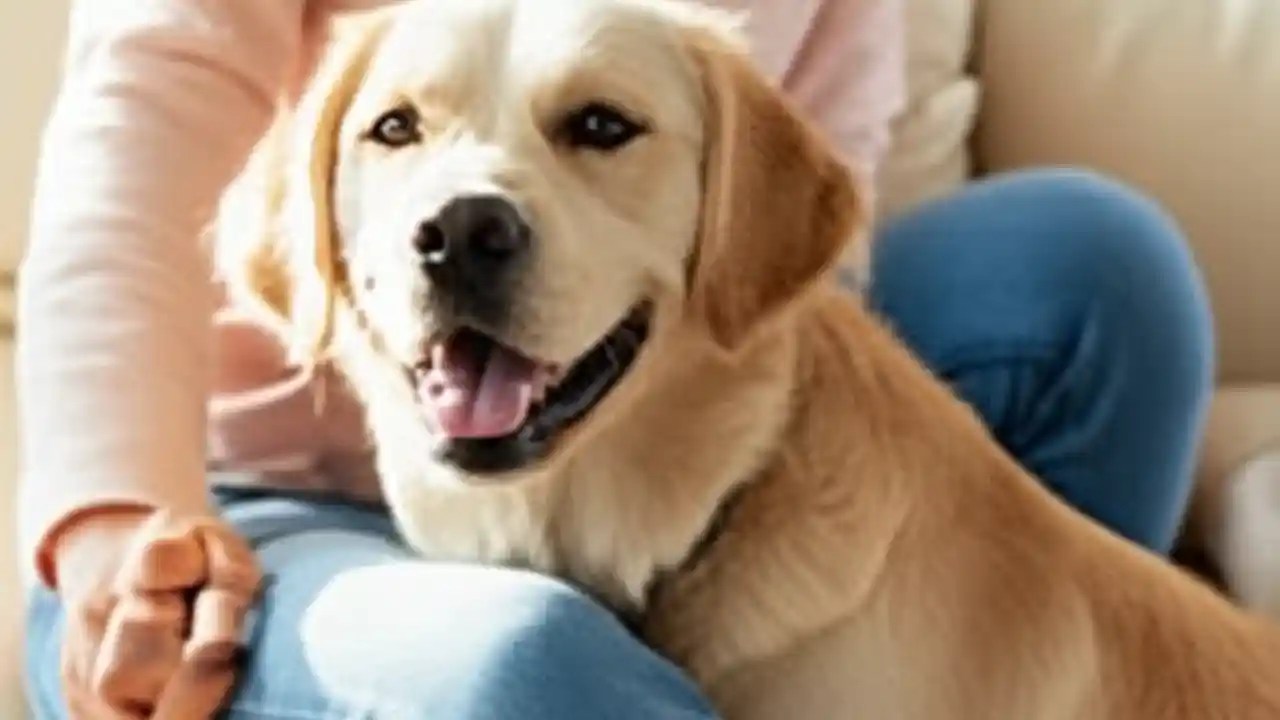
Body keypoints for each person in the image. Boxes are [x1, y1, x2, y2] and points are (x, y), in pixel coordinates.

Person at [18, 0, 1213, 717]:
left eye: (598, 125)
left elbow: (800, 231)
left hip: (655, 439)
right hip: (264, 510)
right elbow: (124, 168)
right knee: (527, 677)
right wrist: (119, 534)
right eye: (398, 129)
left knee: (1093, 274)